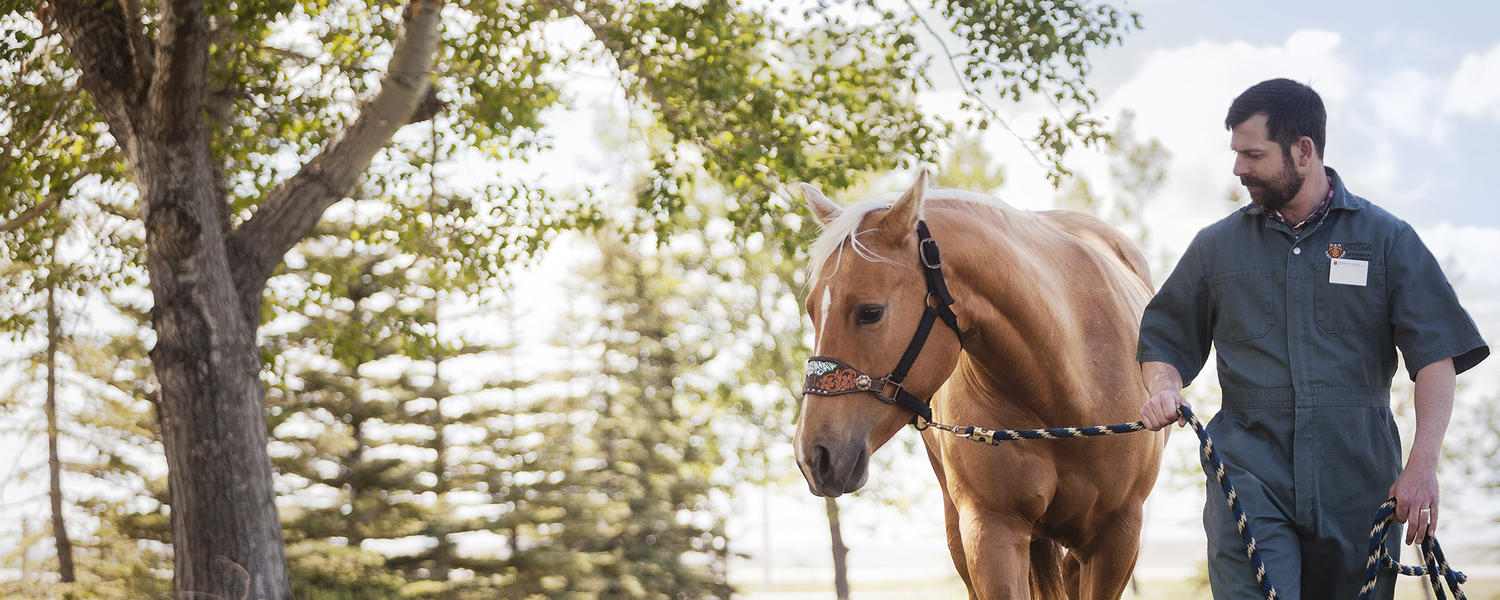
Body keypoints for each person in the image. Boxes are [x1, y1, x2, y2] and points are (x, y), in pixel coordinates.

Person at [1136, 78, 1489, 600]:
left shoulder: (1388, 240)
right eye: (1236, 153)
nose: (1238, 169)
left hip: (1360, 484)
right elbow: (1164, 339)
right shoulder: (1216, 248)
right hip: (1248, 478)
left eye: (1253, 154)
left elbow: (1436, 355)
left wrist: (1423, 466)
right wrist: (1163, 387)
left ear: (1304, 151)